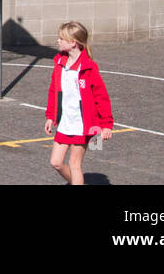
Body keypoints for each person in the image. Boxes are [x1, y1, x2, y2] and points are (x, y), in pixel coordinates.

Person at [44, 21, 114, 185]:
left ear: (73, 42)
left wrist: (106, 125)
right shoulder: (59, 64)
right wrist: (50, 116)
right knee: (56, 162)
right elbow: (54, 91)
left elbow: (101, 97)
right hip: (65, 122)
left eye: (61, 38)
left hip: (82, 124)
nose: (58, 41)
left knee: (75, 165)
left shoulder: (89, 67)